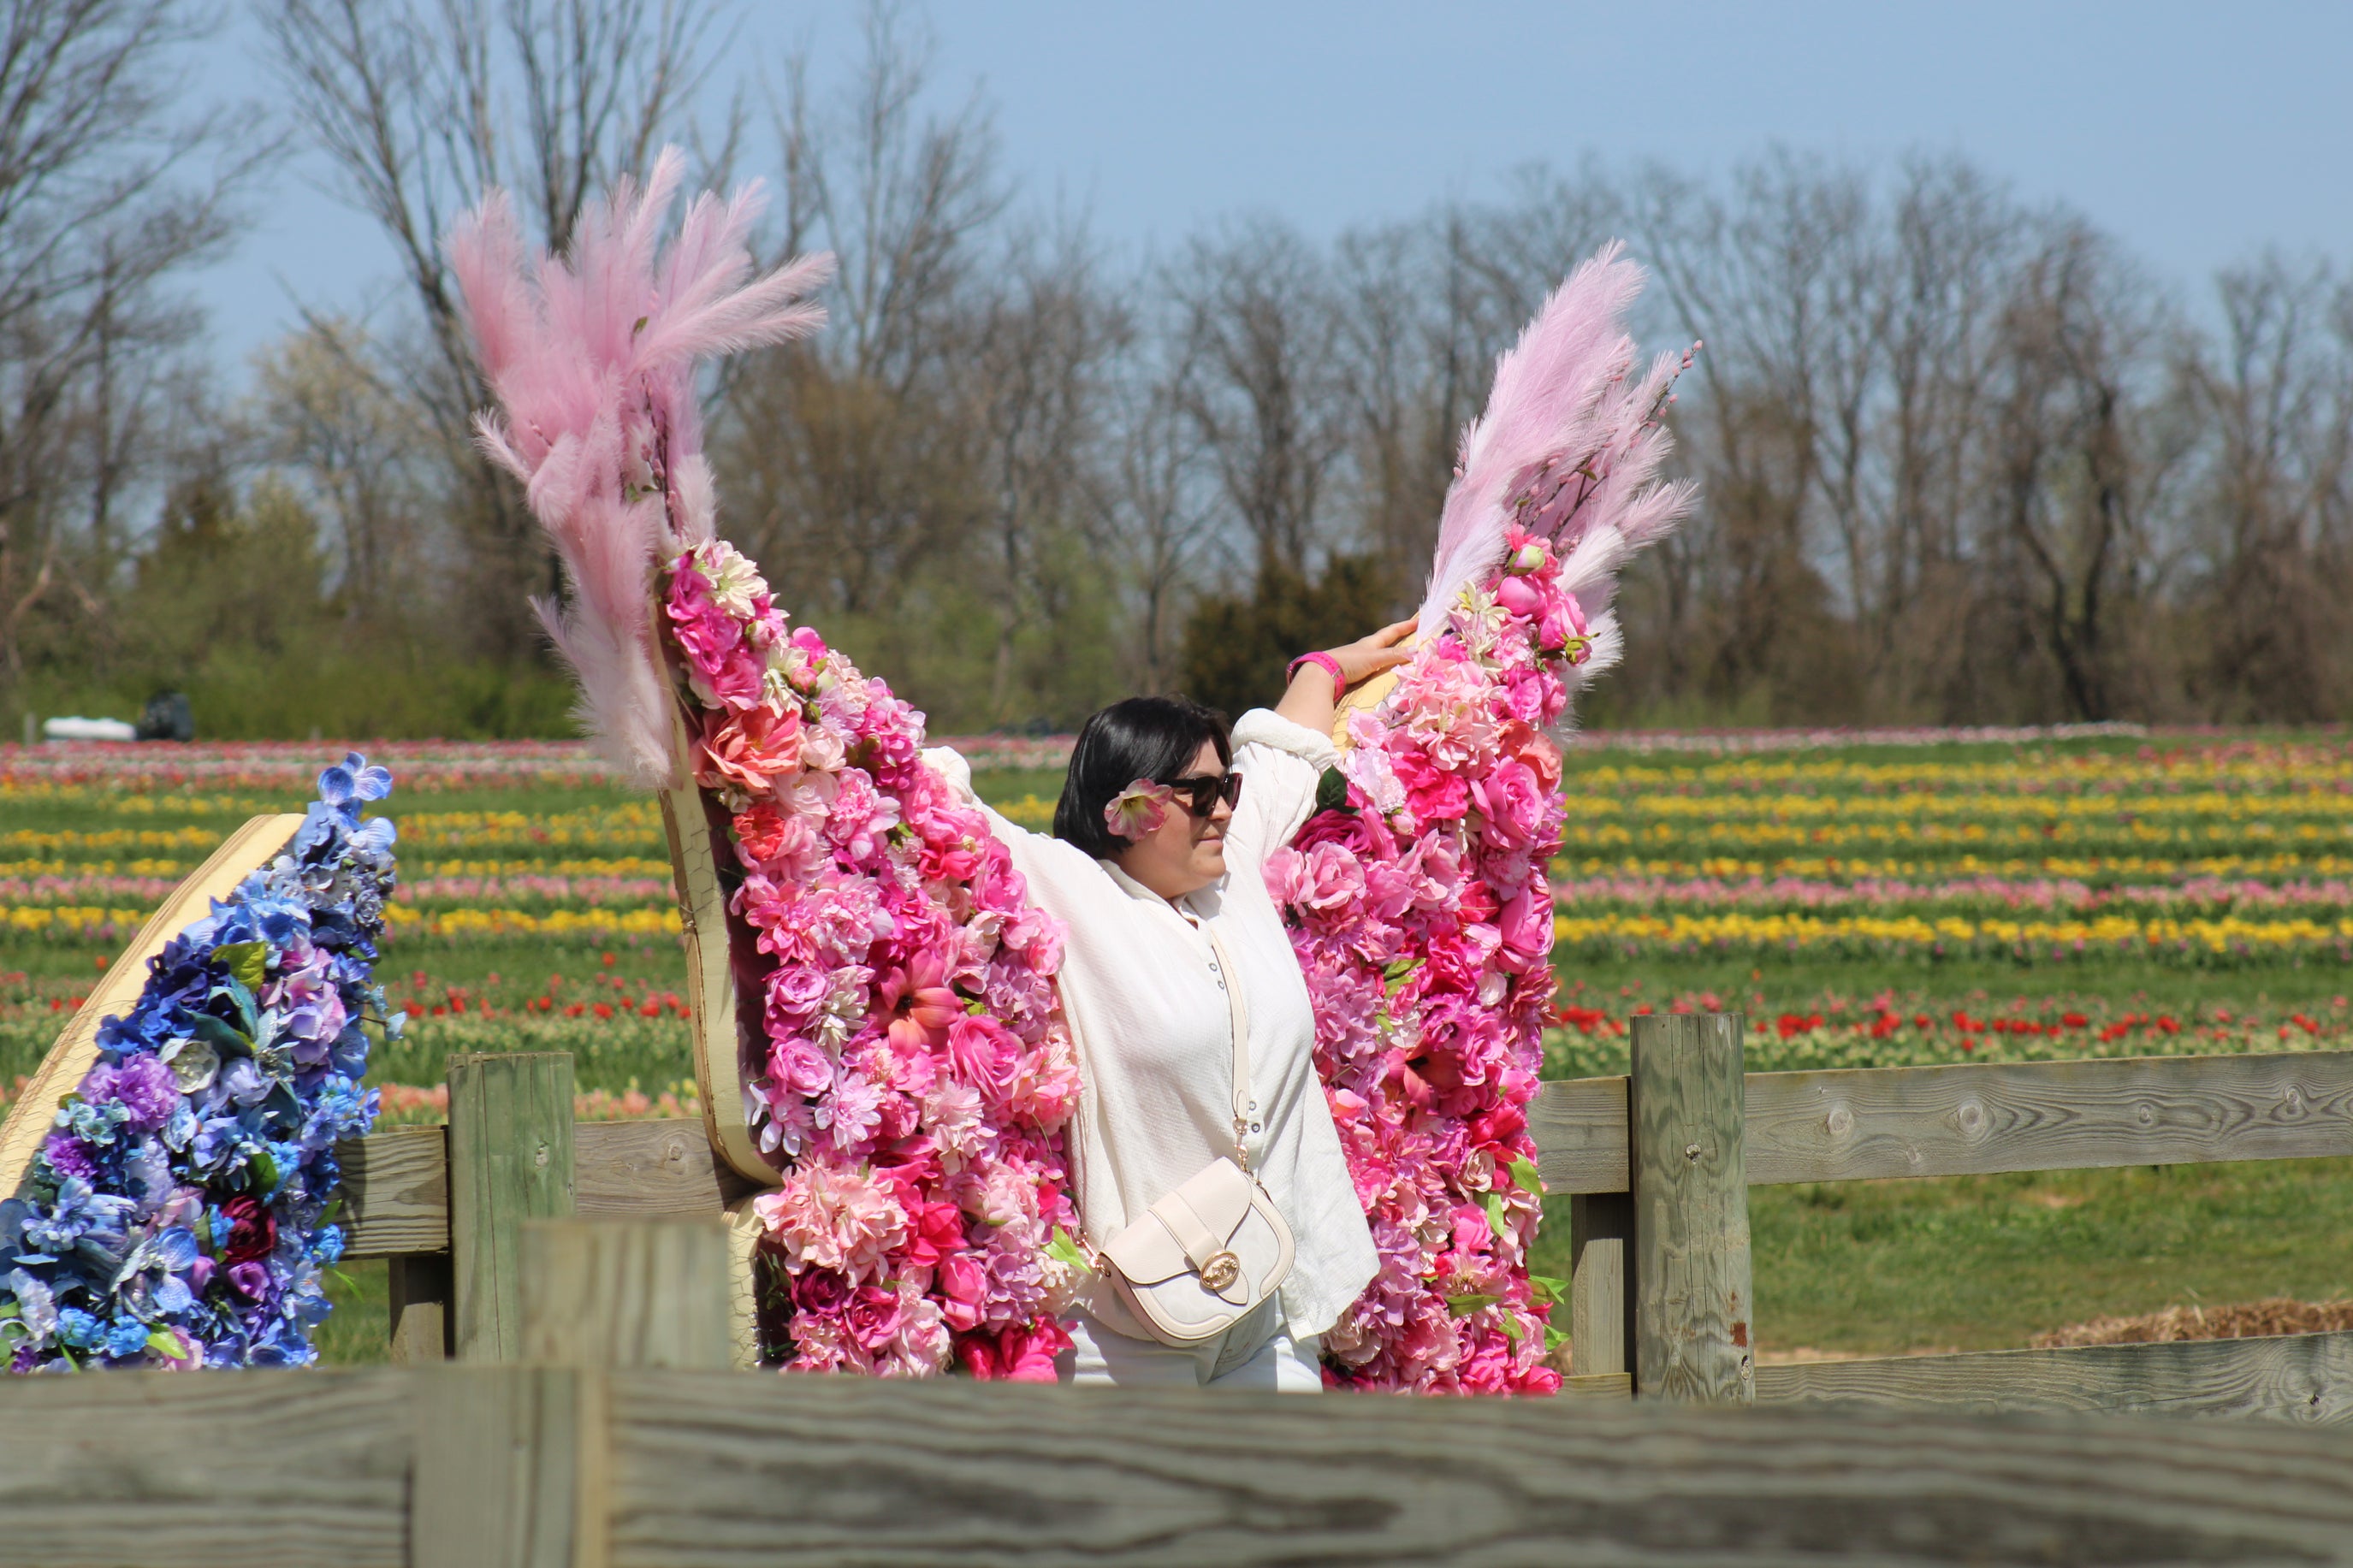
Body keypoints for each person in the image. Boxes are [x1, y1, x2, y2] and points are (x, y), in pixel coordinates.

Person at [924, 618, 1417, 1389]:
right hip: (1131, 1322)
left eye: (1228, 788)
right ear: (1127, 809)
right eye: (1201, 794)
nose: (1223, 809)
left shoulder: (1234, 875)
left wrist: (1326, 667)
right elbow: (929, 789)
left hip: (1270, 1302)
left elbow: (1283, 751)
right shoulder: (1063, 889)